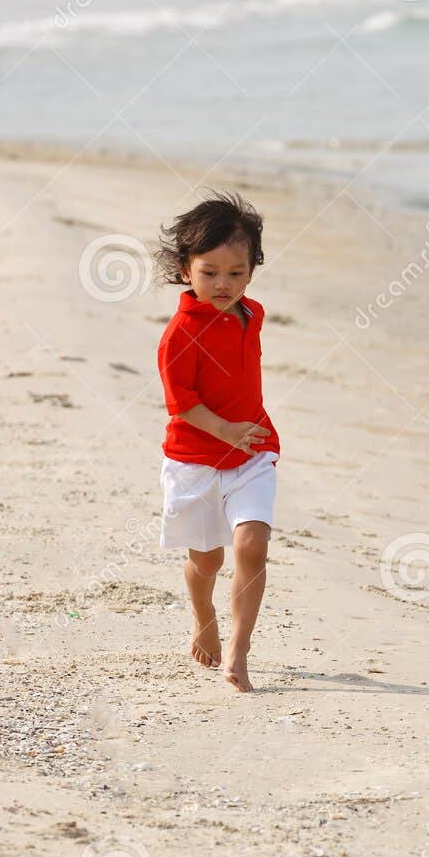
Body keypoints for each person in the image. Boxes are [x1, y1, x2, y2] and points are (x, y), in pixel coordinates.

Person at [153, 191, 279, 692]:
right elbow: (181, 404)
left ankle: (239, 649)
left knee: (253, 544)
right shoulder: (179, 334)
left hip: (253, 452)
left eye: (236, 271)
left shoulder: (253, 314)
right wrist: (224, 429)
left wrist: (242, 432)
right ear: (186, 270)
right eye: (210, 273)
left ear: (252, 270)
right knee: (206, 561)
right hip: (195, 461)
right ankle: (203, 609)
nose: (223, 284)